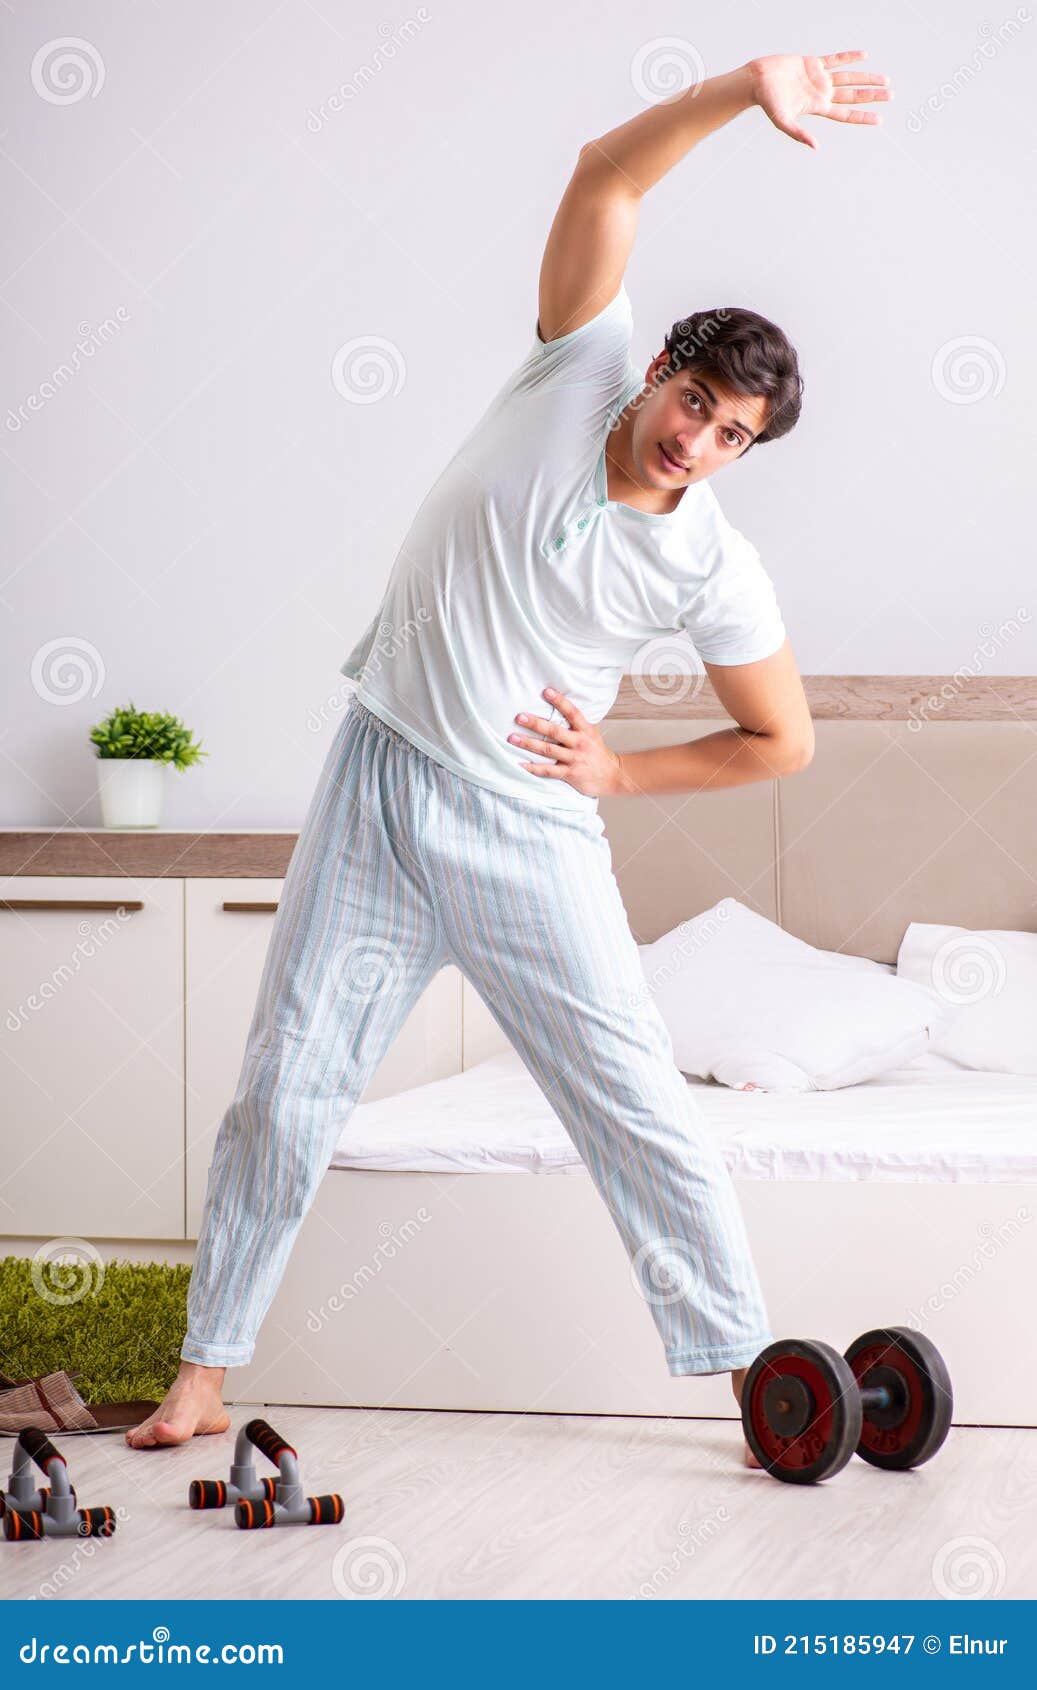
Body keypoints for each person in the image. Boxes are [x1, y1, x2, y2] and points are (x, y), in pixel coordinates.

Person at [126, 49, 891, 1455]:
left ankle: (747, 1367)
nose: (698, 445)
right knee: (285, 1083)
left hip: (520, 829)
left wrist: (620, 774)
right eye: (695, 408)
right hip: (375, 779)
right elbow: (606, 172)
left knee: (628, 1096)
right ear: (657, 366)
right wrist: (744, 86)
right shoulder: (574, 363)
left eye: (732, 438)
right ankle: (204, 1368)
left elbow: (779, 740)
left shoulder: (710, 563)